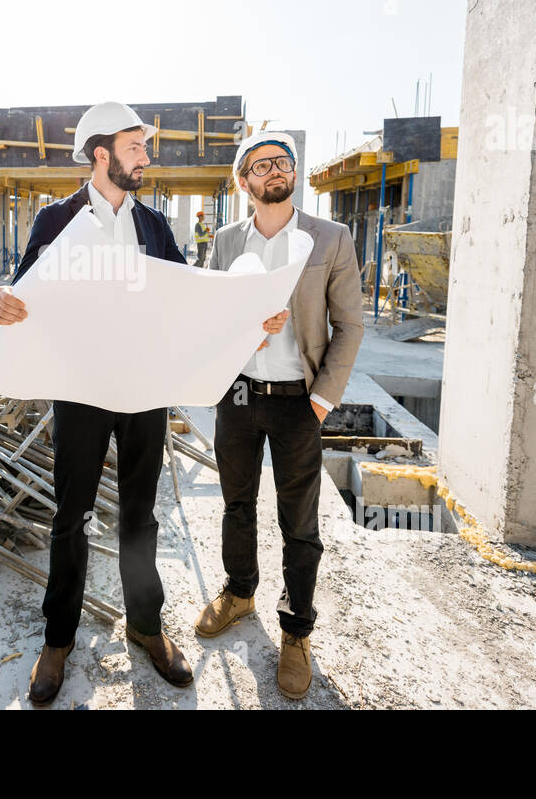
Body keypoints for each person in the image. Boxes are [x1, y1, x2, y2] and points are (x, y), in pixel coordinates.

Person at [0, 100, 194, 706]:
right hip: (79, 393)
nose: (145, 156)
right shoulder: (56, 220)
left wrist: (241, 317)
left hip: (143, 391)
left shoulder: (153, 225)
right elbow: (21, 293)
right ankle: (58, 640)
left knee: (140, 516)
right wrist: (3, 302)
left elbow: (187, 295)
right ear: (102, 153)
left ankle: (147, 628)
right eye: (136, 147)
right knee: (70, 516)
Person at [193, 131, 363, 699]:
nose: (274, 171)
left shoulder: (330, 238)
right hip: (238, 395)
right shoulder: (224, 240)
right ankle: (240, 593)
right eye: (261, 165)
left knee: (300, 522)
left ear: (293, 173)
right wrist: (243, 328)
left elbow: (351, 325)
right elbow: (212, 318)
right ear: (244, 183)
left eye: (282, 162)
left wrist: (320, 402)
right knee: (237, 503)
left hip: (298, 399)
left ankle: (296, 632)